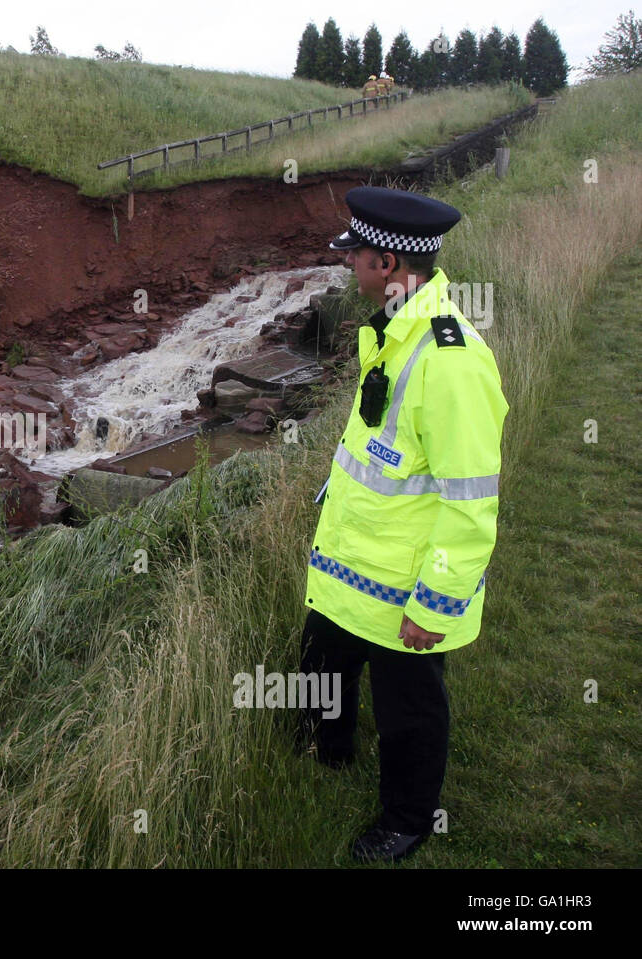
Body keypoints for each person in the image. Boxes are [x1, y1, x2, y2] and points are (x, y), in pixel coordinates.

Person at [298, 186, 509, 862]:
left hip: (402, 585)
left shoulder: (450, 360)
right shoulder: (395, 328)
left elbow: (470, 498)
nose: (346, 265)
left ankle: (407, 820)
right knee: (320, 662)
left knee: (409, 712)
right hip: (350, 564)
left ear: (387, 262)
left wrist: (435, 602)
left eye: (354, 254)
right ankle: (323, 753)